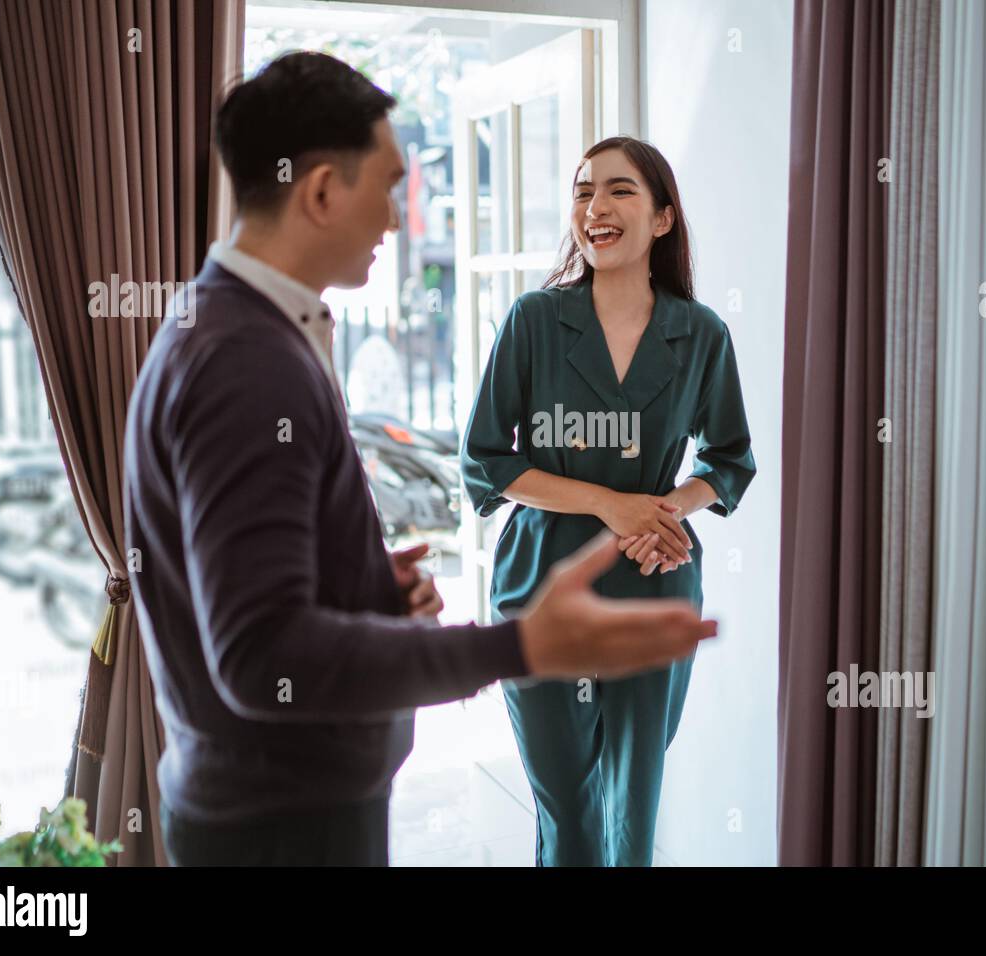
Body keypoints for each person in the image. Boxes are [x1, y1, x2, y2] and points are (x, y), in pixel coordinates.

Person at [123, 53, 717, 867]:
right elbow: (261, 658)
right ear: (323, 191)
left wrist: (361, 589)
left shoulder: (229, 330)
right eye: (390, 185)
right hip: (282, 820)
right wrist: (519, 648)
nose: (398, 220)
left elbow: (247, 596)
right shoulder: (247, 363)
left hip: (280, 800)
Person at [461, 136, 756, 866]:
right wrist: (611, 503)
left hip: (655, 582)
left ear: (661, 218)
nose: (596, 206)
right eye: (583, 191)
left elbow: (728, 461)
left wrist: (663, 513)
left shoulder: (702, 334)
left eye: (620, 190)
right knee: (567, 812)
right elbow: (488, 460)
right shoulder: (533, 321)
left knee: (633, 805)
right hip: (543, 585)